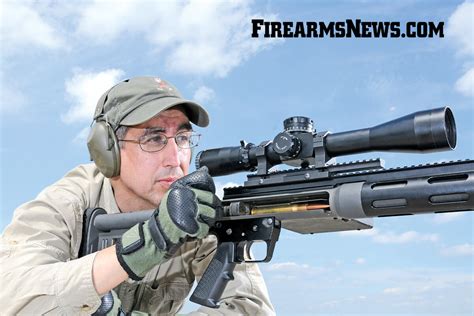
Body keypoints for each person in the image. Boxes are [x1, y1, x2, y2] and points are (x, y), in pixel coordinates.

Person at [0, 77, 275, 315]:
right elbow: (10, 299)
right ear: (107, 151)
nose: (176, 159)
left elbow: (249, 308)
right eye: (154, 139)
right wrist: (148, 243)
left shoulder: (197, 210)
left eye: (182, 138)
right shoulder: (68, 202)